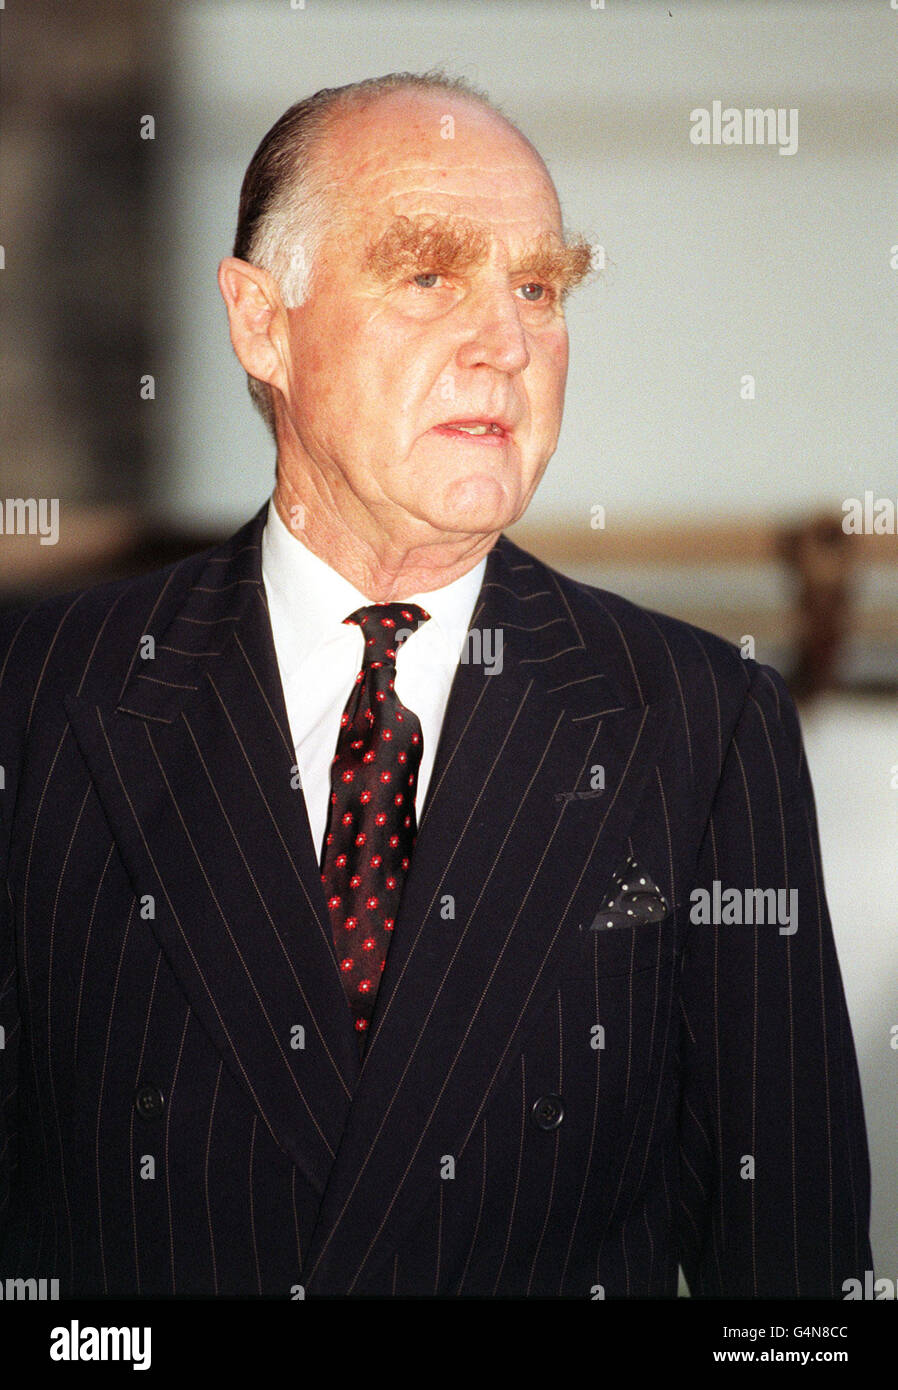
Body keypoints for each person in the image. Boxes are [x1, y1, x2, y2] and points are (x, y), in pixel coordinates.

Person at [0, 71, 871, 1299]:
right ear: (261, 321)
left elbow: (794, 1281)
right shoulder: (43, 698)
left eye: (536, 288)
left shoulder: (698, 722)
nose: (505, 343)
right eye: (428, 276)